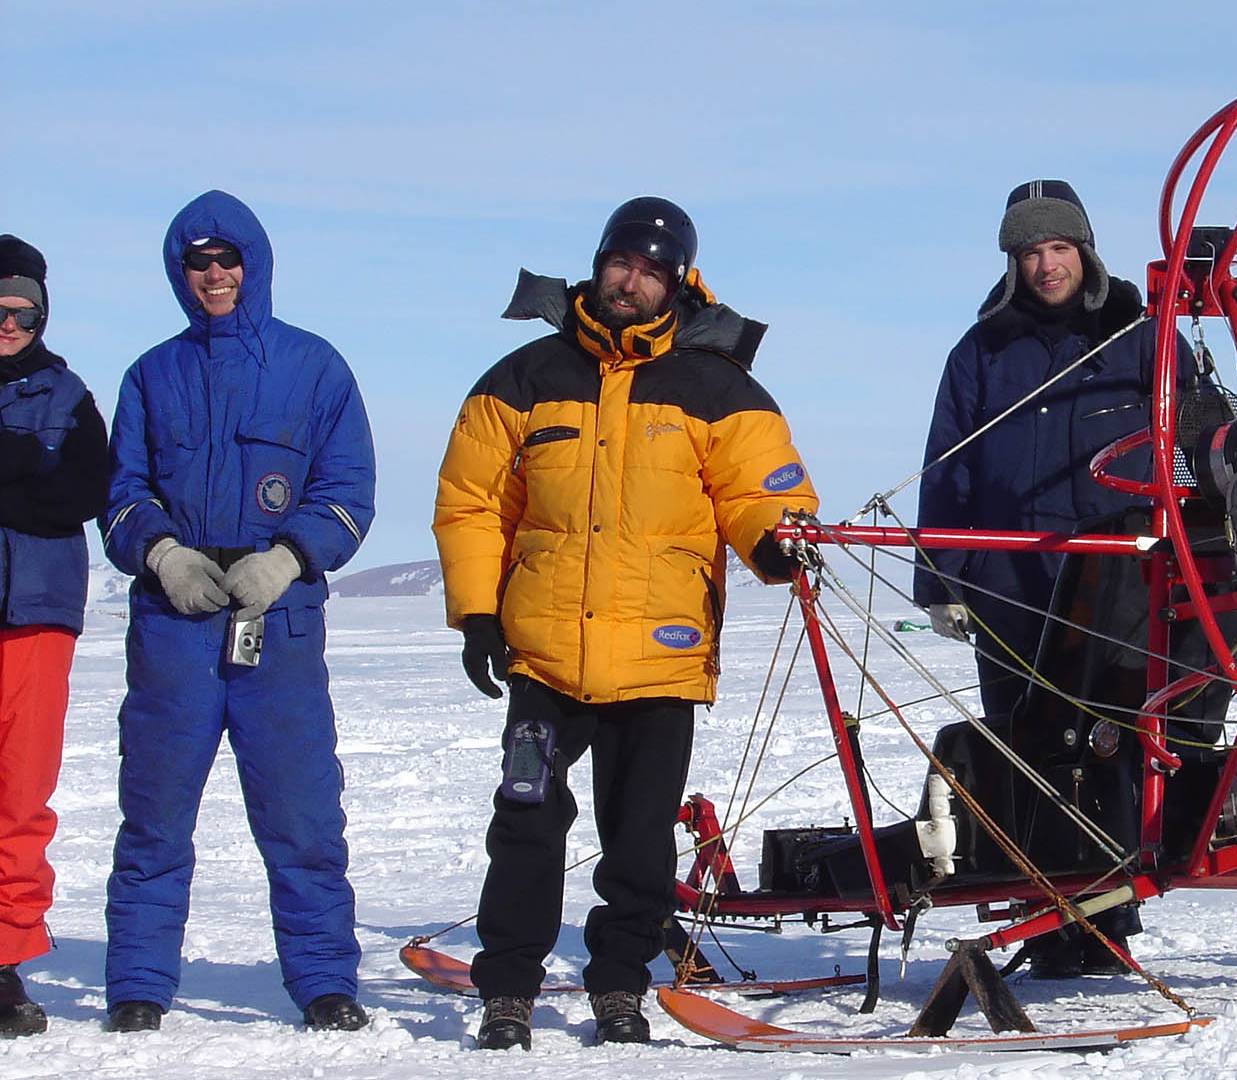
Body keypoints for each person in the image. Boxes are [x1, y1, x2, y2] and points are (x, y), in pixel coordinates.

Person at [433, 196, 818, 1051]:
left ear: (675, 282)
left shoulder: (717, 385)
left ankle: (619, 983)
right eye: (620, 263)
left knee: (640, 842)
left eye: (649, 270)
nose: (629, 282)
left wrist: (777, 543)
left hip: (660, 653)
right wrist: (476, 611)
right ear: (598, 264)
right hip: (543, 652)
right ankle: (509, 989)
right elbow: (472, 504)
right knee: (527, 819)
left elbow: (761, 492)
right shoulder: (523, 377)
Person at [97, 191, 376, 1033]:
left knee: (301, 816)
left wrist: (288, 558)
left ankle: (325, 980)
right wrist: (162, 554)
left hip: (277, 623)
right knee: (153, 813)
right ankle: (139, 985)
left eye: (227, 261)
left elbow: (349, 492)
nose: (214, 276)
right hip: (175, 623)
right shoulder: (152, 374)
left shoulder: (314, 368)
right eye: (197, 263)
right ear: (179, 273)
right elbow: (120, 494)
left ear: (253, 265)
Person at [912, 179, 1193, 978]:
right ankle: (1045, 926)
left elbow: (1194, 439)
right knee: (1023, 744)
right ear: (1013, 262)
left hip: (1117, 580)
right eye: (1030, 252)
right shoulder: (979, 353)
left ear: (1085, 251)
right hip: (1010, 582)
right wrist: (943, 581)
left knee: (1111, 740)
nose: (1046, 265)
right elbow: (948, 469)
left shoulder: (1140, 336)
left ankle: (1108, 919)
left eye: (1059, 248)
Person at [0, 235, 111, 1038]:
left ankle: (2, 961)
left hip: (35, 615)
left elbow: (76, 497)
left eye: (24, 311)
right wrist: (22, 476)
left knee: (18, 795)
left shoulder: (67, 398)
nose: (10, 322)